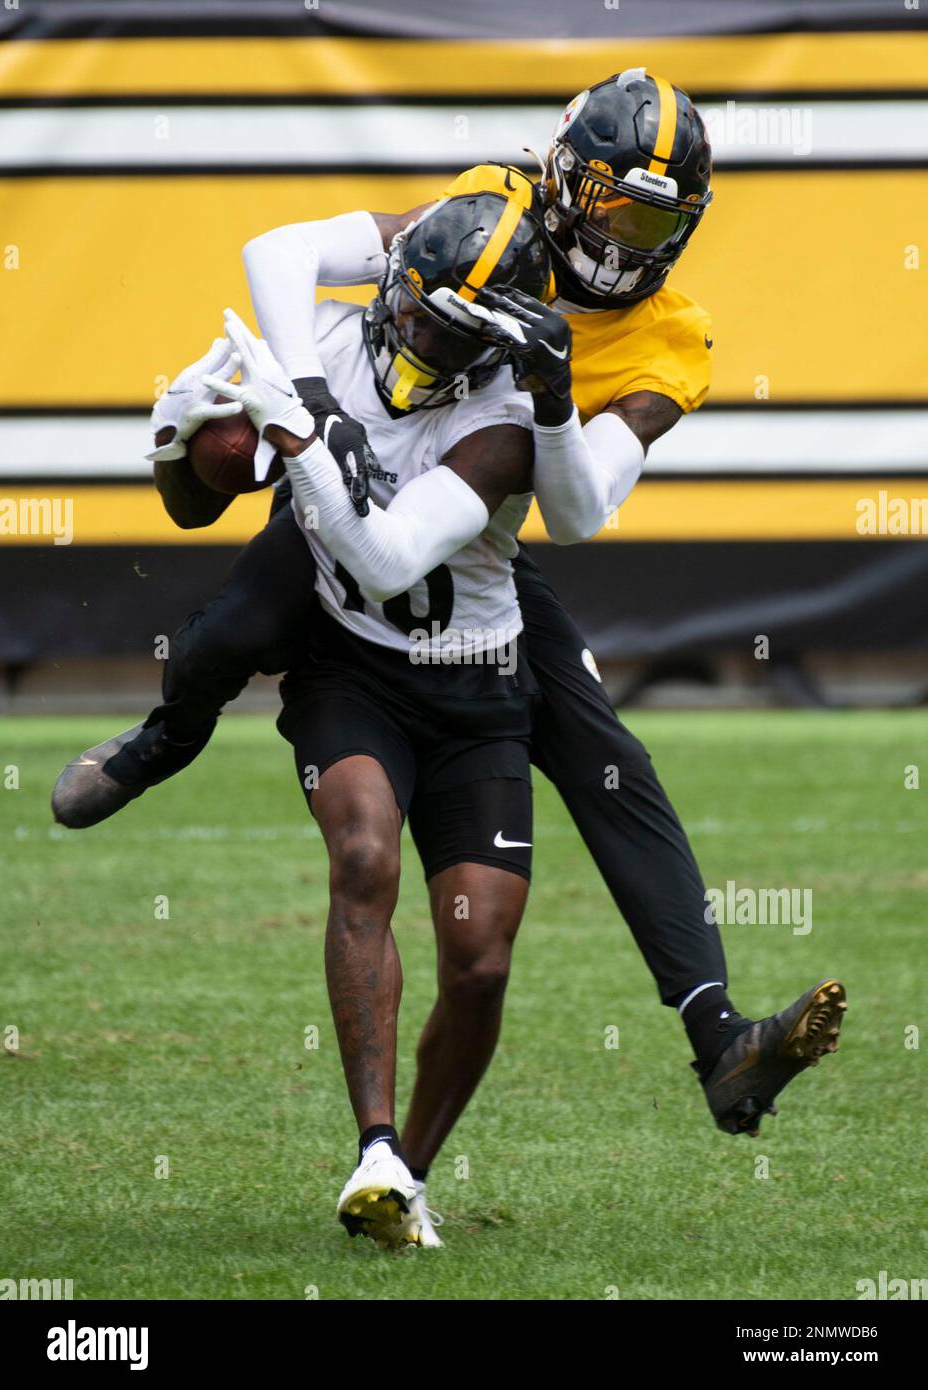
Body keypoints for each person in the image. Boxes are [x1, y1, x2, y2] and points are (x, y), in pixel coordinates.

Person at [53, 73, 846, 1190]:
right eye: (611, 206)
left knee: (609, 762)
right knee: (232, 624)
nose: (622, 244)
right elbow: (284, 256)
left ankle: (717, 1036)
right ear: (564, 179)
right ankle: (156, 745)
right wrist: (310, 398)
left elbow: (573, 515)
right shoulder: (493, 207)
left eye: (652, 222)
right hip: (366, 471)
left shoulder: (674, 340)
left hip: (473, 528)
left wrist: (555, 396)